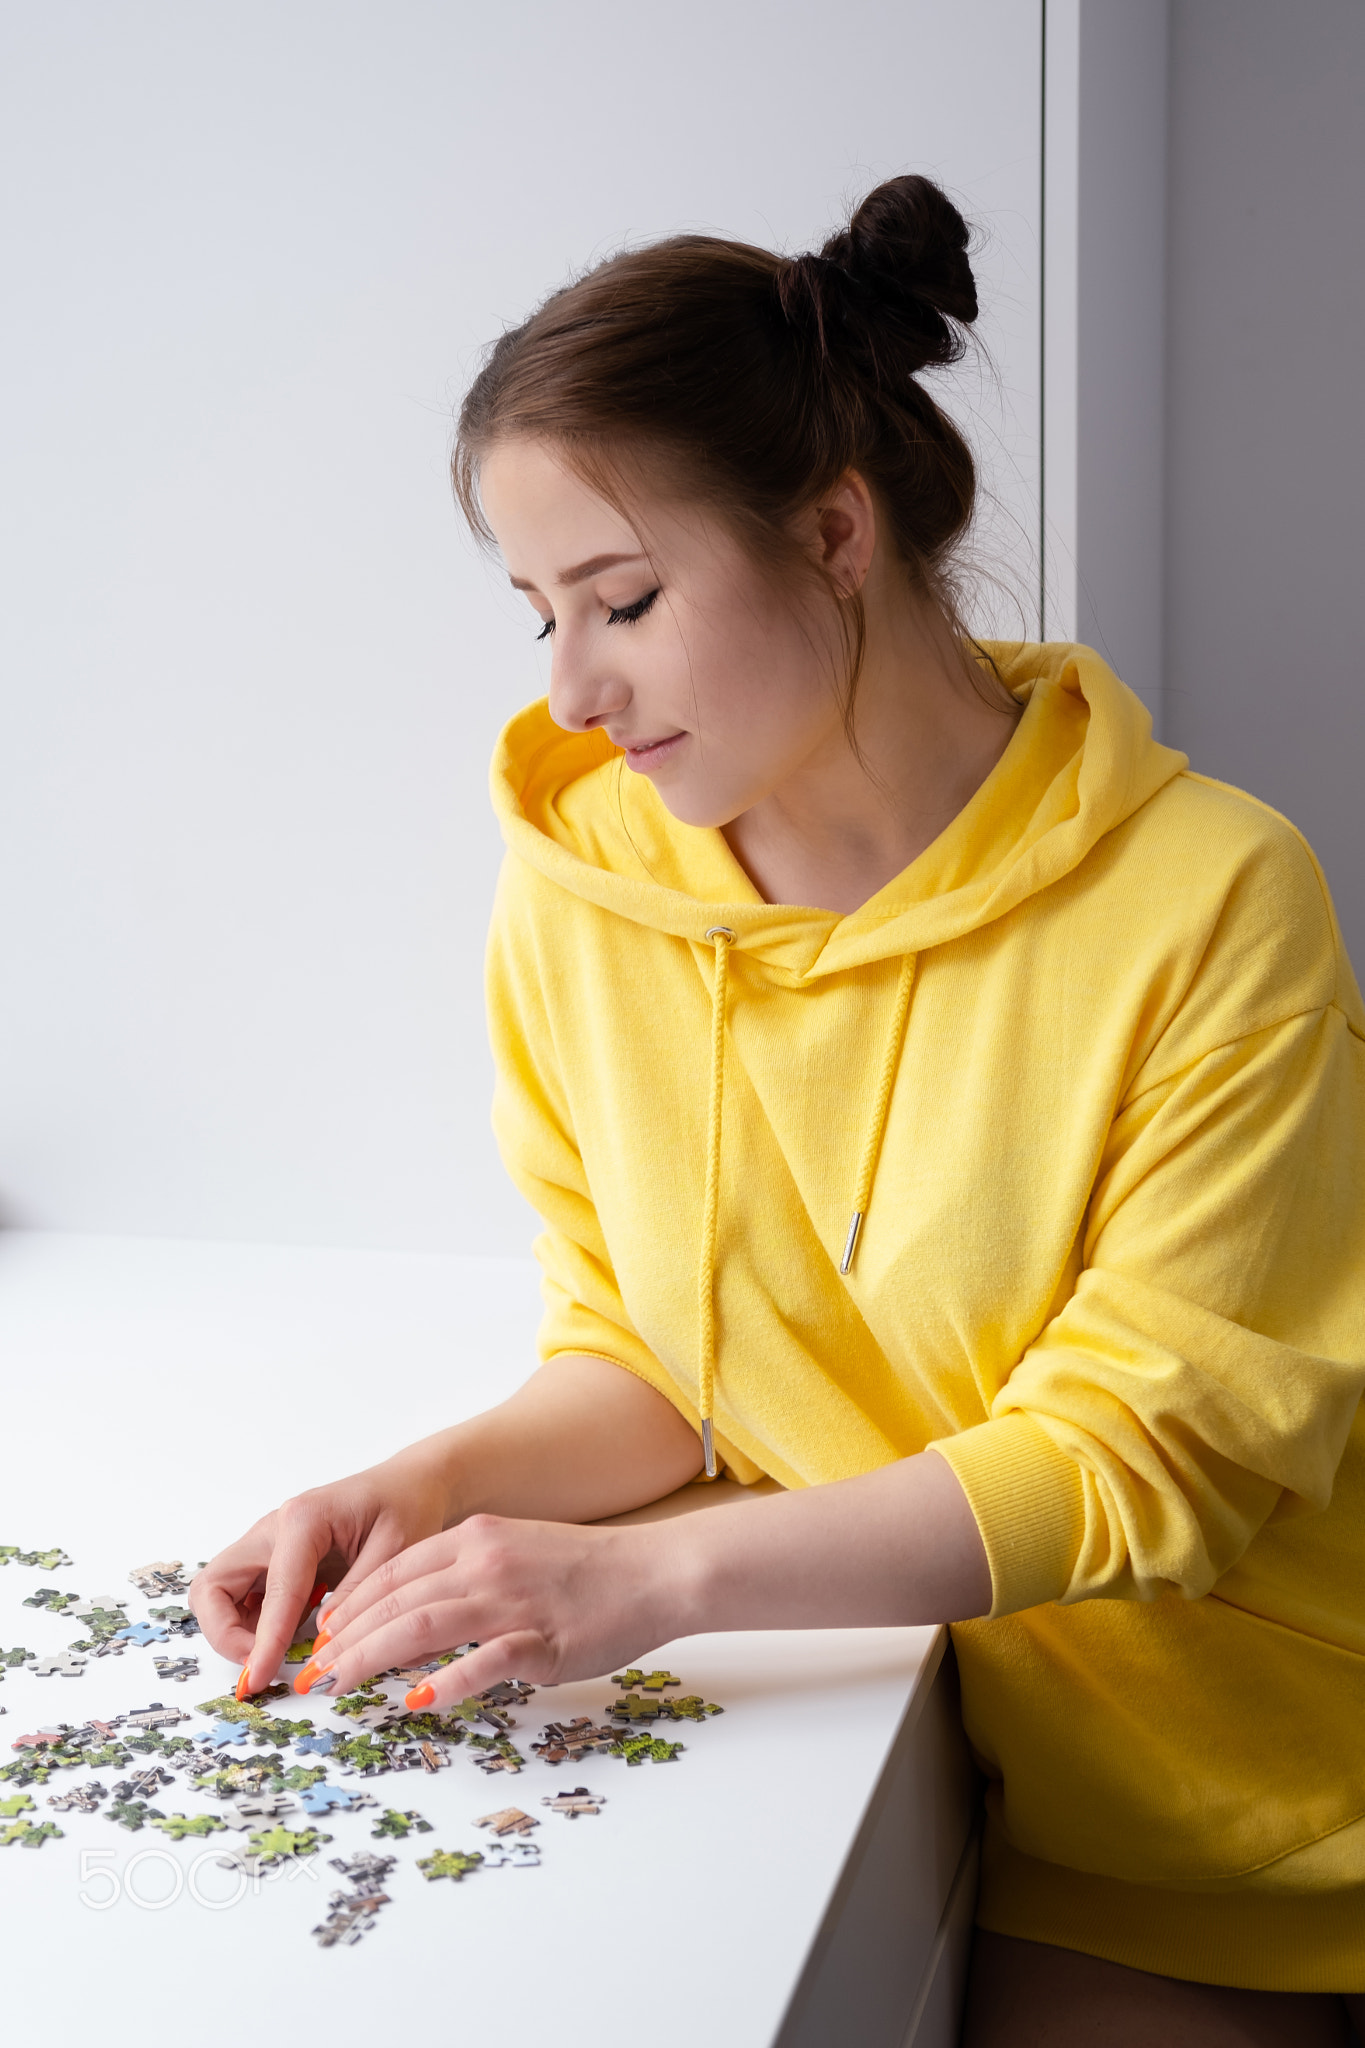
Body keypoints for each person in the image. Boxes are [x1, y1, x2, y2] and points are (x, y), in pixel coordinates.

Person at [191, 176, 1365, 2043]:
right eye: (537, 617)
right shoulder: (582, 893)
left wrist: (651, 1580)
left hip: (1252, 1815)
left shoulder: (1212, 898)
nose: (575, 689)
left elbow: (1150, 1459)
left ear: (832, 531)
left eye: (624, 600)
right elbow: (658, 1358)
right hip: (926, 1745)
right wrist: (418, 1494)